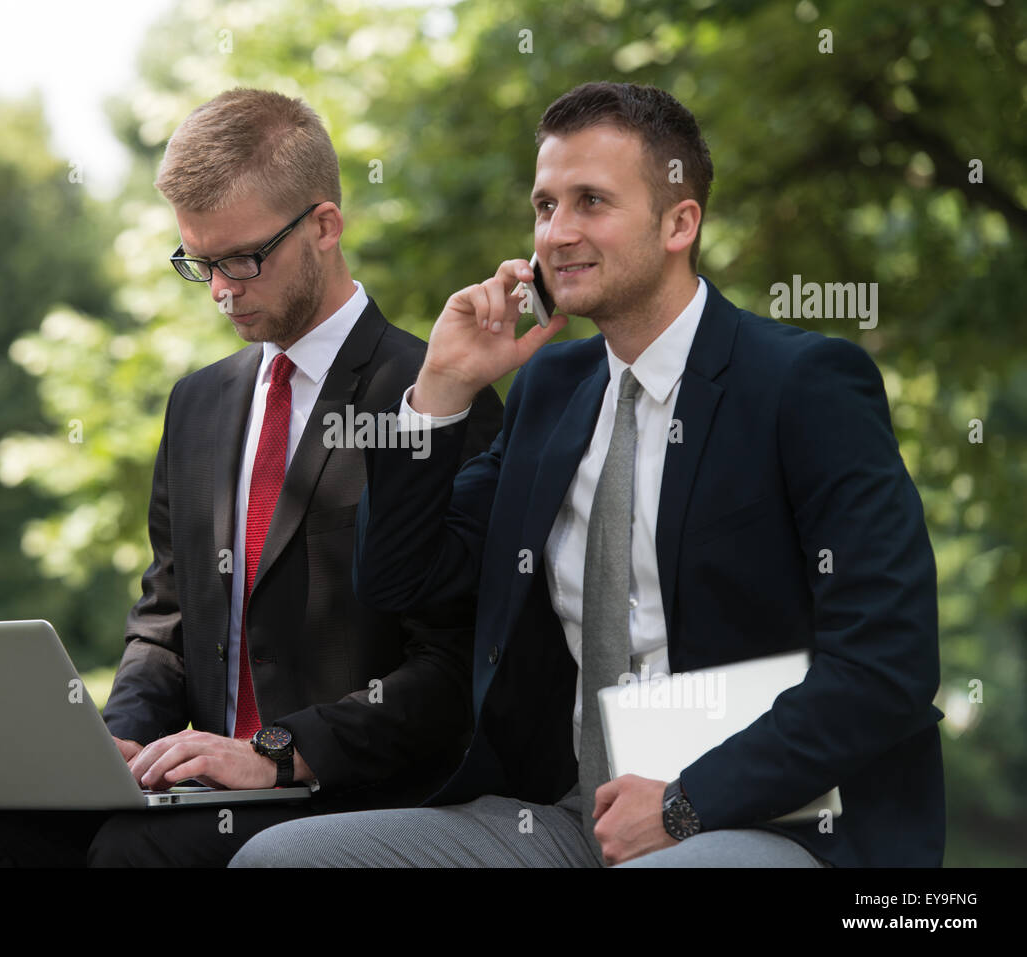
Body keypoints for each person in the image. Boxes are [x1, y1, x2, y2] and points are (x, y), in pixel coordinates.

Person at [230, 81, 945, 868]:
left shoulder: (803, 384)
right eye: (544, 207)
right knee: (280, 857)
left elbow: (886, 667)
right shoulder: (549, 391)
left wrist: (683, 802)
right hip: (568, 816)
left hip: (769, 817)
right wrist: (440, 393)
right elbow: (403, 578)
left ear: (680, 222)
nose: (557, 234)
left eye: (591, 202)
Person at [0, 88, 502, 867]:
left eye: (243, 259)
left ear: (325, 226)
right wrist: (118, 741)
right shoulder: (199, 403)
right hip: (197, 791)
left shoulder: (435, 394)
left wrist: (277, 751)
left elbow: (453, 669)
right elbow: (167, 620)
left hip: (351, 789)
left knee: (135, 851)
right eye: (200, 263)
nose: (221, 290)